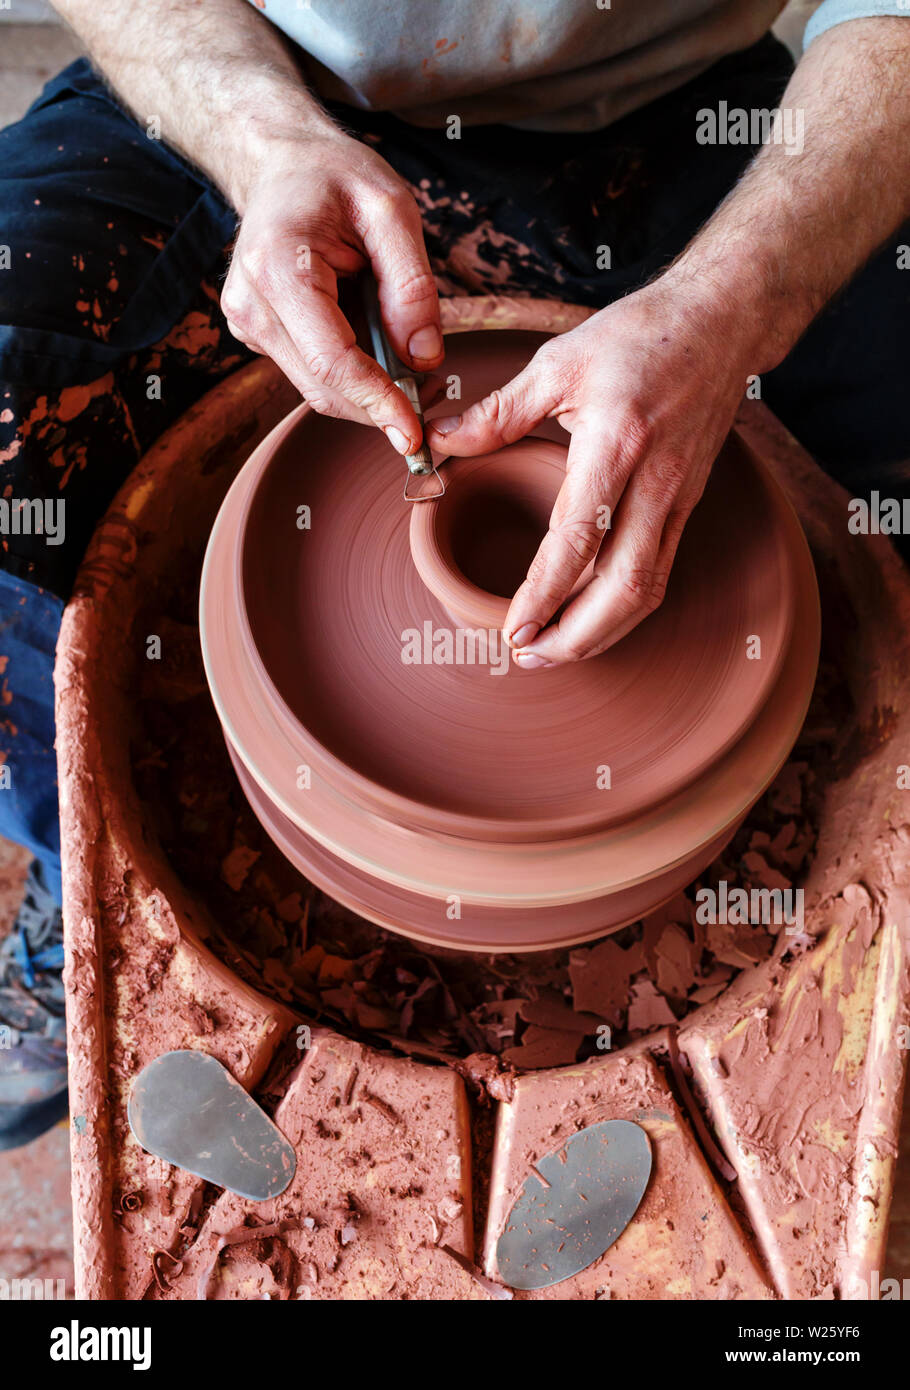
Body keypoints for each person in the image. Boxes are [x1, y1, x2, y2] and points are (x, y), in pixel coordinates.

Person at [0, 0, 908, 1147]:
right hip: (263, 86)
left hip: (687, 126)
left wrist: (735, 304)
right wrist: (258, 136)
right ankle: (76, 853)